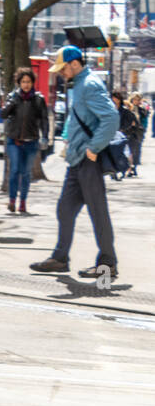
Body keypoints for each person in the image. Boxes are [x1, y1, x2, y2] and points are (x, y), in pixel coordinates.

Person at [30, 46, 120, 280]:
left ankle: (107, 265)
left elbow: (111, 118)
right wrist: (70, 140)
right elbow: (76, 116)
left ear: (75, 64)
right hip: (77, 160)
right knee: (65, 209)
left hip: (88, 160)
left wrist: (93, 148)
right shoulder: (79, 84)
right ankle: (60, 259)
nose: (60, 73)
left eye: (62, 68)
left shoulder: (89, 84)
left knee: (97, 212)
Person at [0, 66, 48, 214]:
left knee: (26, 173)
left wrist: (45, 136)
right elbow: (3, 114)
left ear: (33, 83)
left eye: (28, 81)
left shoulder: (38, 100)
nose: (26, 84)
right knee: (14, 170)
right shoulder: (13, 97)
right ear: (19, 83)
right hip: (14, 140)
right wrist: (12, 102)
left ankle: (23, 202)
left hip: (31, 141)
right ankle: (12, 200)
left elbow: (44, 120)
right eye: (23, 81)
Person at [114, 91, 140, 178]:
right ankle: (116, 169)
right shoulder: (110, 110)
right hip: (112, 134)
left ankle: (129, 168)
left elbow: (132, 123)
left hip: (124, 135)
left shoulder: (125, 111)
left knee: (126, 152)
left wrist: (123, 130)